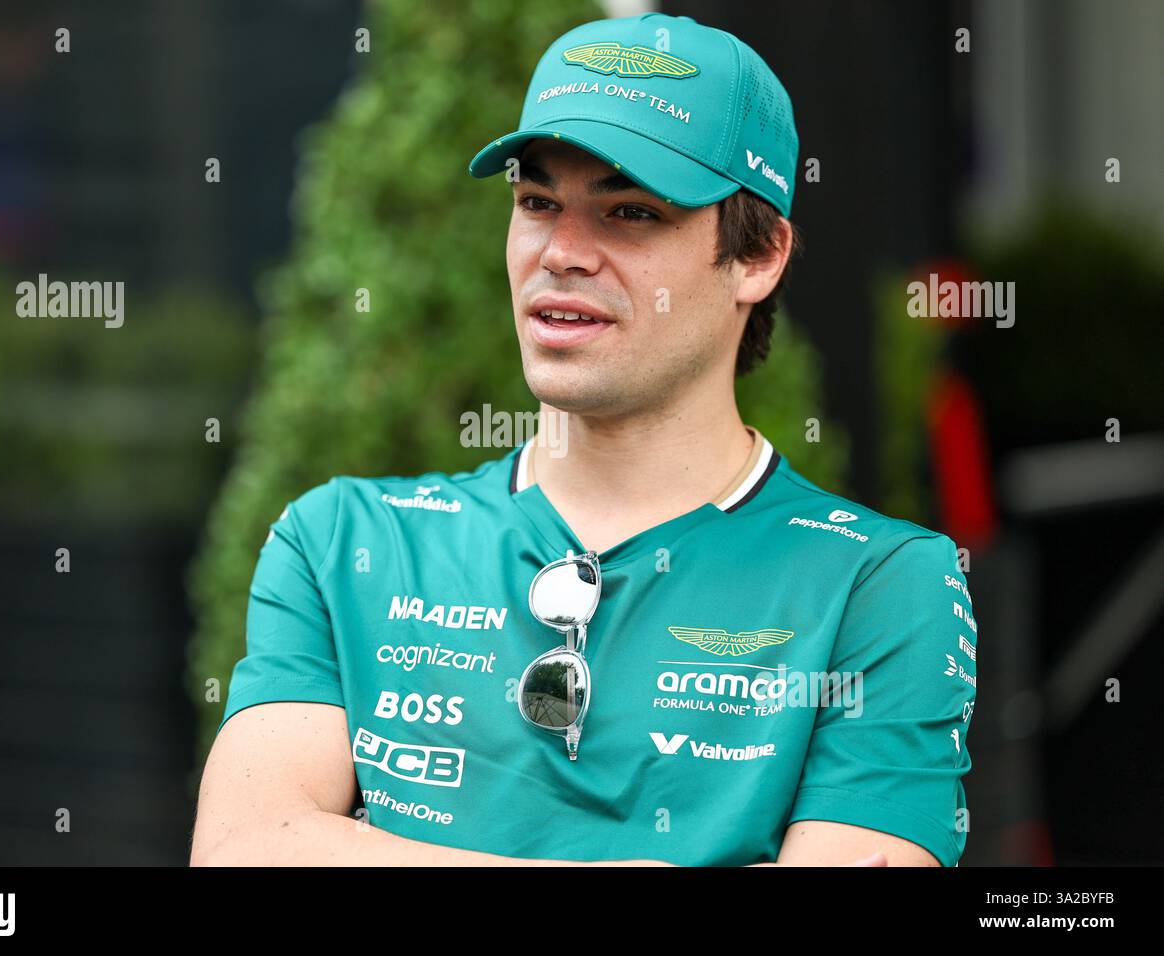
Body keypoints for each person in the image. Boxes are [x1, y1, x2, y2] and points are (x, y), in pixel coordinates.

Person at [190, 12, 977, 867]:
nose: (561, 252)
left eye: (629, 212)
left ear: (758, 257)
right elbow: (244, 850)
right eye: (537, 202)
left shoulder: (877, 583)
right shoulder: (341, 542)